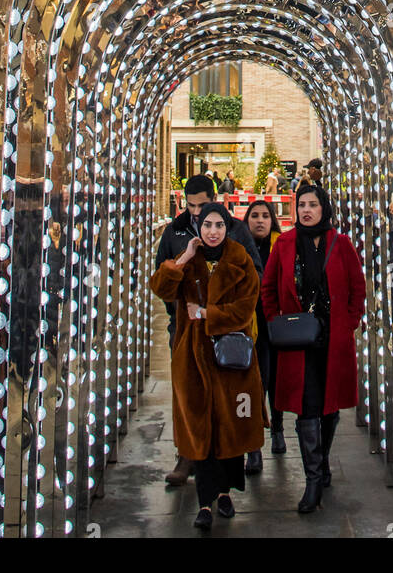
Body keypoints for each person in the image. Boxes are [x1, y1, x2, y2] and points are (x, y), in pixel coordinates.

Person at [151, 203, 265, 531]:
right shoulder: (190, 261)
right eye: (207, 225)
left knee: (230, 426)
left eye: (219, 225)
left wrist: (205, 314)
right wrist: (184, 257)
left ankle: (226, 492)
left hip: (231, 359)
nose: (213, 231)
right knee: (200, 429)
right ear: (198, 228)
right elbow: (160, 287)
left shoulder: (240, 258)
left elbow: (245, 309)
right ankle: (204, 501)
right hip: (194, 360)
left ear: (228, 227)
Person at [261, 183, 366, 513]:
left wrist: (349, 322)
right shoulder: (285, 244)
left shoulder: (341, 244)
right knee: (307, 406)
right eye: (302, 204)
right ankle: (313, 479)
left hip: (332, 339)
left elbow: (356, 288)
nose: (306, 210)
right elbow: (268, 288)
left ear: (324, 208)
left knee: (329, 406)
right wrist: (275, 320)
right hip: (297, 340)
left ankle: (320, 464)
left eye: (313, 205)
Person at [243, 199, 285, 471]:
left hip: (275, 324)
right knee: (252, 385)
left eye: (265, 216)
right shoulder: (239, 248)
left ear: (272, 220)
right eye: (255, 216)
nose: (260, 220)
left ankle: (278, 429)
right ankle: (253, 444)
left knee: (275, 379)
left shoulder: (281, 246)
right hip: (248, 325)